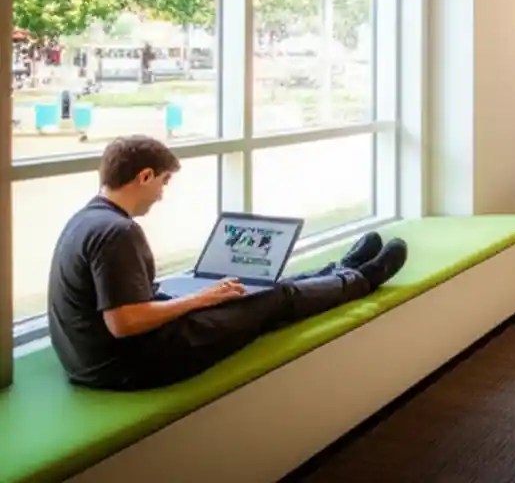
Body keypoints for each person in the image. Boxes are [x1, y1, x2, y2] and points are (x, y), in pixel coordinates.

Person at [47, 135, 409, 391]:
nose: (161, 194)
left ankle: (337, 271)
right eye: (163, 182)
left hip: (93, 360)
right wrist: (199, 299)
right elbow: (124, 323)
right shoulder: (118, 232)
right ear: (144, 176)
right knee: (273, 299)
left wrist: (197, 294)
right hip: (130, 366)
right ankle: (363, 279)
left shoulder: (88, 219)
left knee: (248, 286)